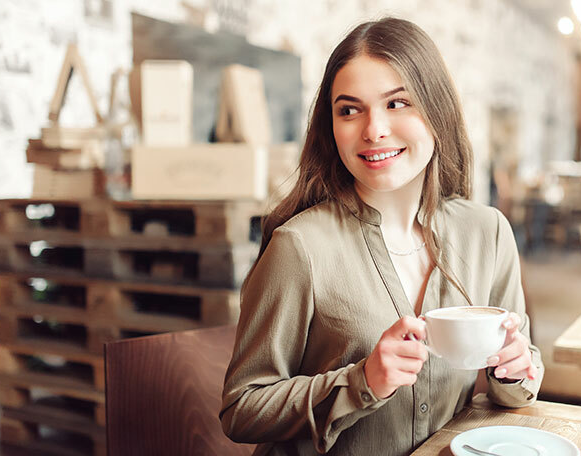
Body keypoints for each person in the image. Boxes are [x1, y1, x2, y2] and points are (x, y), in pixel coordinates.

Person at [220, 17, 543, 455]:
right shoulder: (300, 247)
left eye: (397, 103)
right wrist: (363, 381)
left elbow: (512, 387)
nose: (373, 130)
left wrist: (516, 369)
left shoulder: (487, 232)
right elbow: (242, 408)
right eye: (349, 110)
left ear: (437, 110)